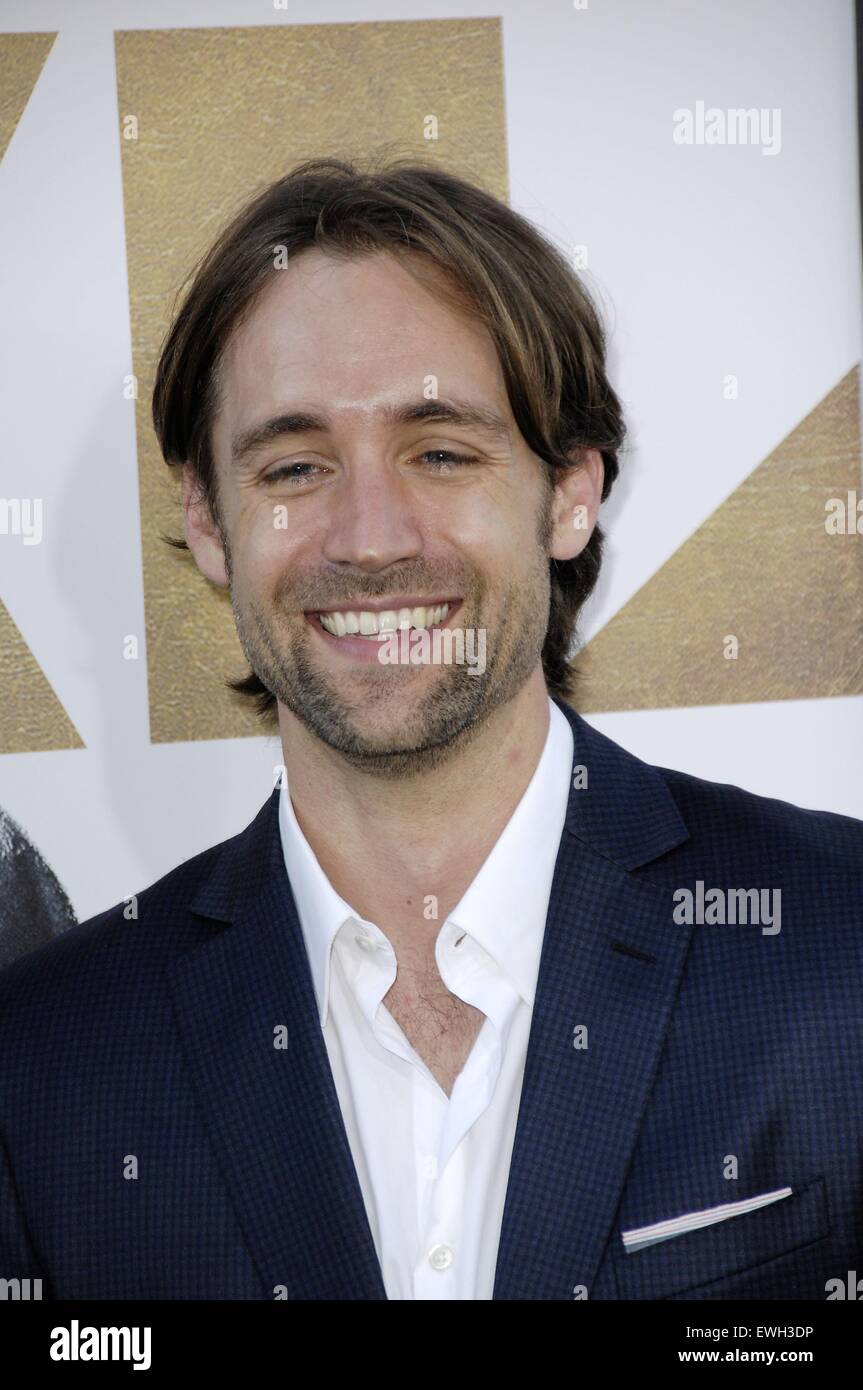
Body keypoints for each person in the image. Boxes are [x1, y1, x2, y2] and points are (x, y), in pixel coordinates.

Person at [1, 157, 860, 1302]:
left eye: (440, 450)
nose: (366, 539)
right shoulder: (46, 1060)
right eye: (295, 465)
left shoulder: (834, 943)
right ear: (209, 523)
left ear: (567, 492)